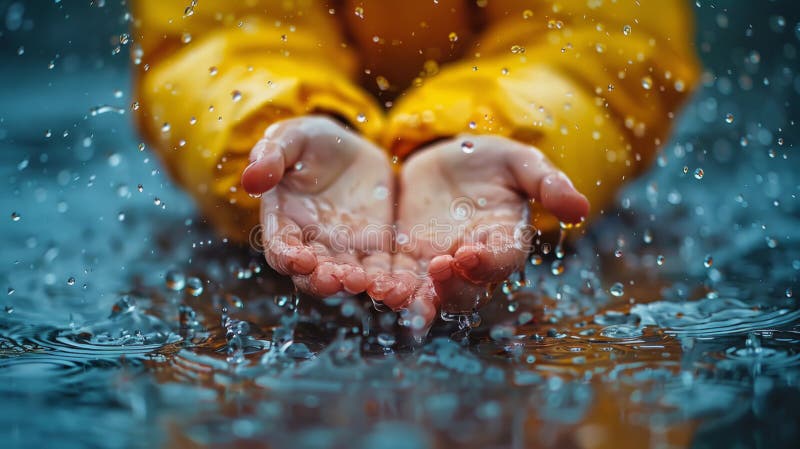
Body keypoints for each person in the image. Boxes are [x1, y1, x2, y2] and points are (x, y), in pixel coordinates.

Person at [131, 0, 699, 333]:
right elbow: (218, 34)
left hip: (503, 178)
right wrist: (278, 128)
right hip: (300, 184)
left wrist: (476, 134)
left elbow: (600, 39)